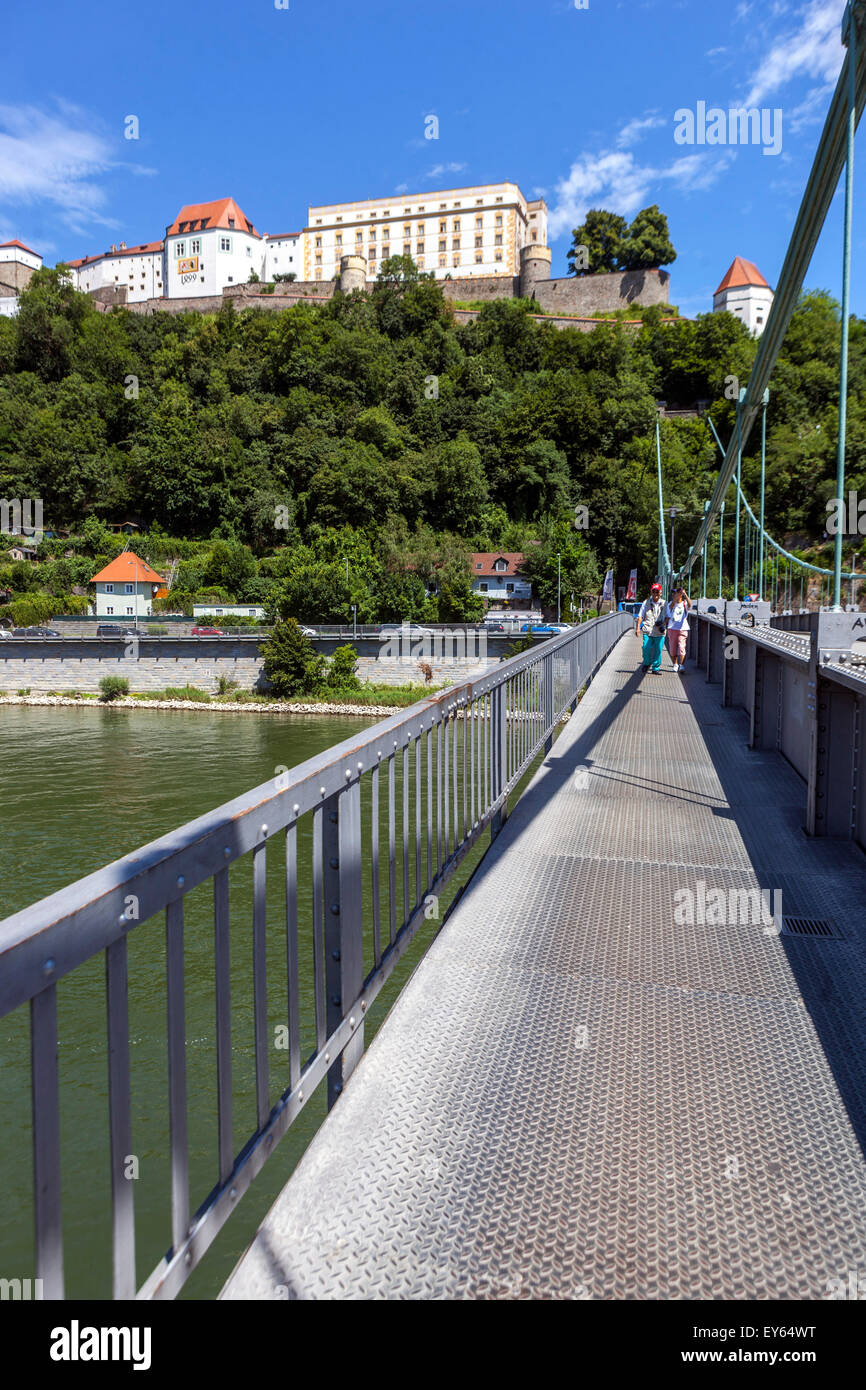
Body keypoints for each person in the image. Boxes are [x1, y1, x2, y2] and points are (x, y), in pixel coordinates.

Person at [635, 582, 666, 673]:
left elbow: (668, 616)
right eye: (653, 592)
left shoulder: (665, 603)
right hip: (648, 630)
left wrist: (663, 623)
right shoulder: (646, 602)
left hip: (659, 631)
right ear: (651, 592)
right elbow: (640, 616)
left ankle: (655, 668)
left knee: (658, 650)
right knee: (646, 647)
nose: (655, 594)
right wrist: (637, 628)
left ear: (660, 592)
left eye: (657, 592)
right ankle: (647, 663)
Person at [665, 586, 691, 674]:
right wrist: (676, 597)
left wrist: (685, 595)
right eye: (673, 593)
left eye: (675, 593)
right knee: (672, 649)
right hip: (672, 628)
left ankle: (682, 665)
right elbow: (671, 606)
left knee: (681, 647)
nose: (674, 595)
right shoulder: (670, 604)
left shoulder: (684, 604)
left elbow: (690, 605)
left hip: (683, 628)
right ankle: (675, 664)